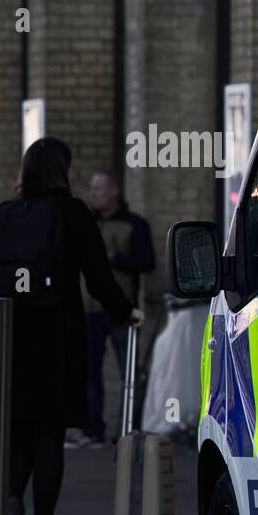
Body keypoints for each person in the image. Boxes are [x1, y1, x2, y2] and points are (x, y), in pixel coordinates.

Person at [0, 138, 141, 515]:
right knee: (49, 437)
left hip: (7, 341)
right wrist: (126, 312)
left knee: (14, 436)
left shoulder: (0, 218)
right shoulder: (73, 214)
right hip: (56, 338)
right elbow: (99, 279)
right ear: (59, 171)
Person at [79, 172, 155, 447]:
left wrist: (114, 258)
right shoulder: (87, 223)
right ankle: (92, 432)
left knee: (129, 373)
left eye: (99, 188)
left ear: (114, 191)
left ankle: (129, 432)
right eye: (92, 188)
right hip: (89, 311)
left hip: (123, 310)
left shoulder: (134, 224)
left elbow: (146, 262)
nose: (94, 193)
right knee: (89, 373)